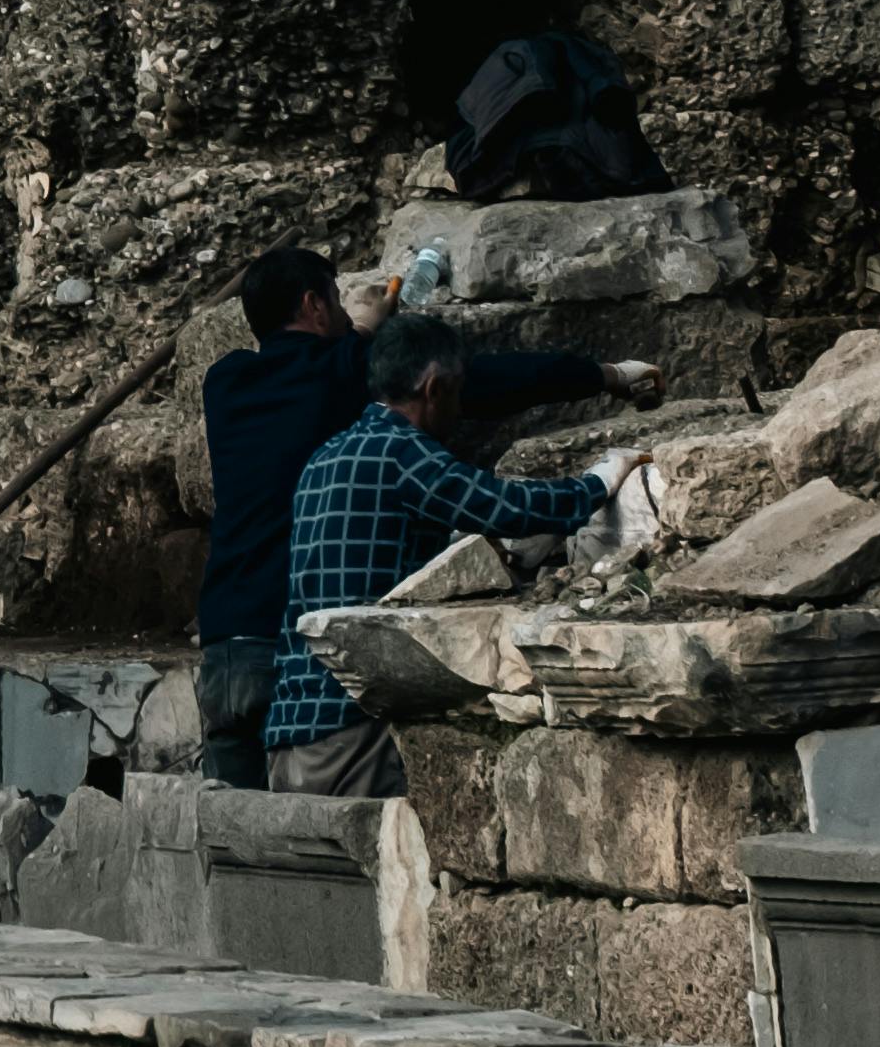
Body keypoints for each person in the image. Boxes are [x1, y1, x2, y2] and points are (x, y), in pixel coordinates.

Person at [256, 308, 614, 799]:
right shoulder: (401, 451)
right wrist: (597, 484)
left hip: (291, 725)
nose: (460, 406)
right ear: (435, 386)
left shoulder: (326, 457)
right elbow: (503, 505)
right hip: (350, 728)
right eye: (459, 390)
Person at [191, 247, 368, 780]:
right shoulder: (340, 370)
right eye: (336, 301)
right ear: (314, 304)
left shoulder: (225, 382)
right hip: (286, 643)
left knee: (229, 833)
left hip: (223, 640)